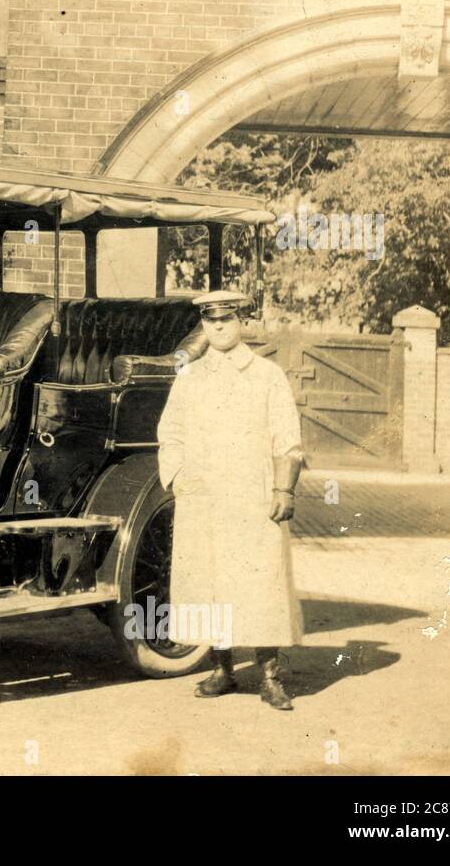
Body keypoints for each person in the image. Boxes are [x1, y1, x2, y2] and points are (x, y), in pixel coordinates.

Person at [156, 291, 304, 710]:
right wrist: (180, 477)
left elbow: (287, 437)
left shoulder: (266, 375)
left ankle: (271, 676)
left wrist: (283, 489)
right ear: (203, 325)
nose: (218, 327)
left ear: (242, 321)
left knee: (261, 583)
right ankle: (222, 670)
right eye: (210, 321)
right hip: (204, 500)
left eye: (227, 319)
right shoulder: (189, 377)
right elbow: (171, 434)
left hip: (251, 498)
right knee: (210, 581)